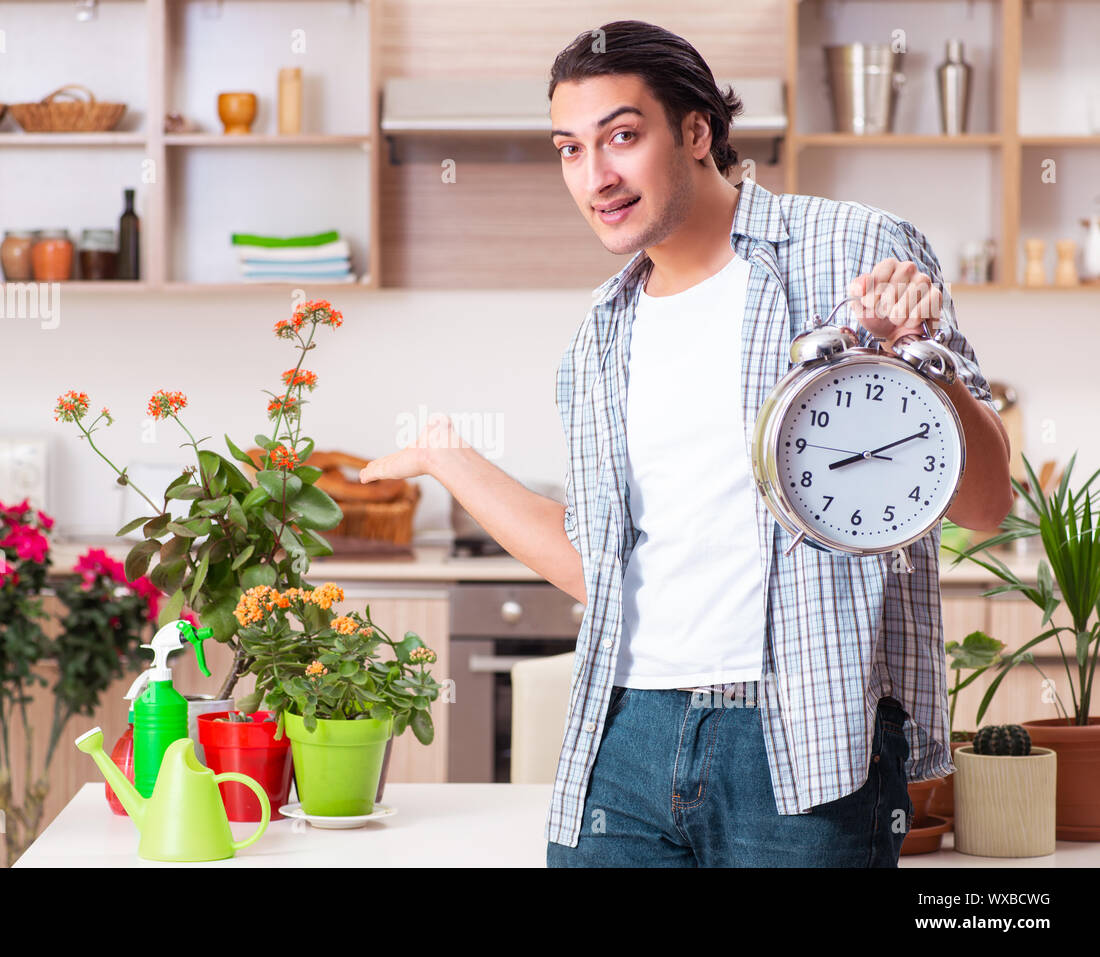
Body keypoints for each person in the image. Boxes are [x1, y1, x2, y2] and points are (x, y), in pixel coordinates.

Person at [358, 20, 1013, 867]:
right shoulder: (601, 332)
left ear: (696, 132)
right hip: (624, 736)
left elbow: (987, 504)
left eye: (621, 136)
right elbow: (597, 565)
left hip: (799, 740)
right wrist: (451, 459)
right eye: (569, 148)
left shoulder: (849, 250)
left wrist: (914, 363)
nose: (595, 176)